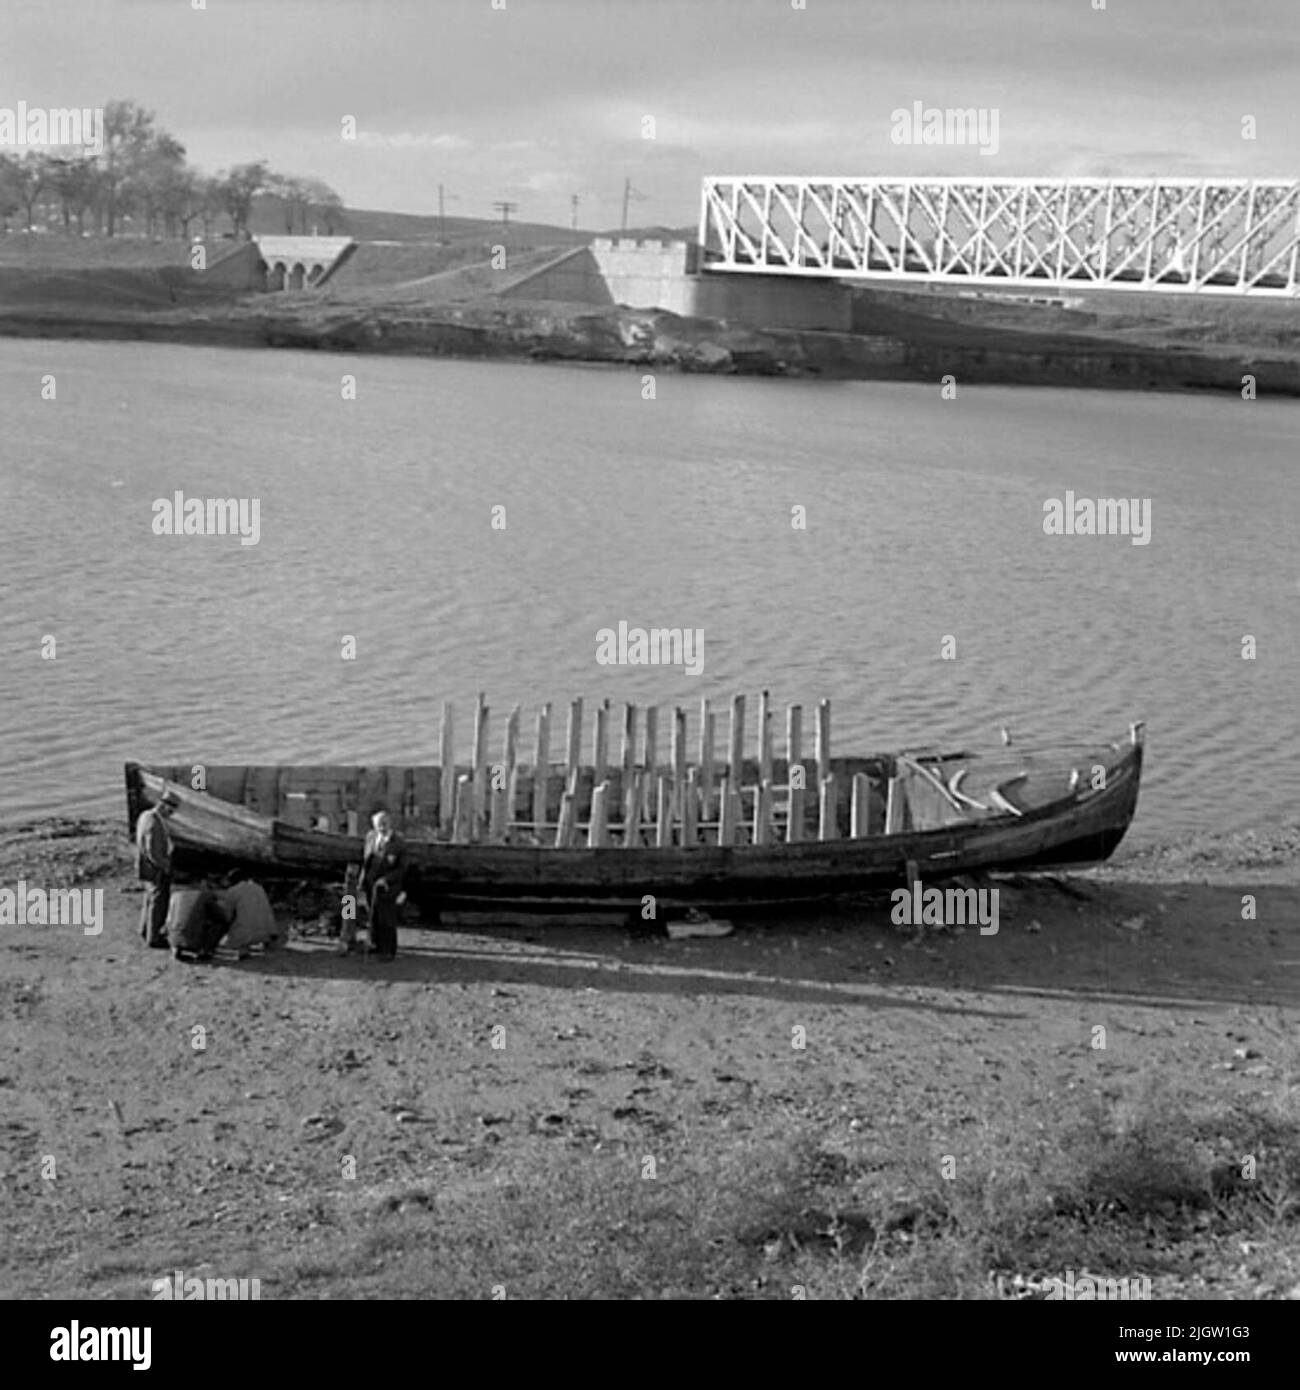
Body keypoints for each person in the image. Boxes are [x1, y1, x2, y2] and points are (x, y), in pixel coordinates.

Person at [354, 809, 405, 960]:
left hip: (388, 886)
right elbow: (366, 862)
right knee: (373, 916)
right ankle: (375, 944)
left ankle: (388, 950)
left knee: (386, 918)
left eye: (384, 824)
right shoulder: (370, 837)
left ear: (389, 823)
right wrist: (361, 883)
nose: (381, 827)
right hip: (371, 884)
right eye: (378, 825)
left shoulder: (398, 843)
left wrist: (386, 879)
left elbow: (402, 868)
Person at [136, 793, 178, 948]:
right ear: (164, 805)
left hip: (145, 866)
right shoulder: (154, 823)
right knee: (159, 903)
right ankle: (154, 938)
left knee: (149, 899)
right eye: (171, 810)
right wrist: (166, 867)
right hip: (156, 869)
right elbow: (153, 852)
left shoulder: (145, 815)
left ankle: (144, 930)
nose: (171, 814)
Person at [220, 878, 284, 960]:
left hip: (244, 937)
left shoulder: (233, 890)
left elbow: (227, 916)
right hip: (266, 934)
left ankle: (242, 948)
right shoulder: (259, 888)